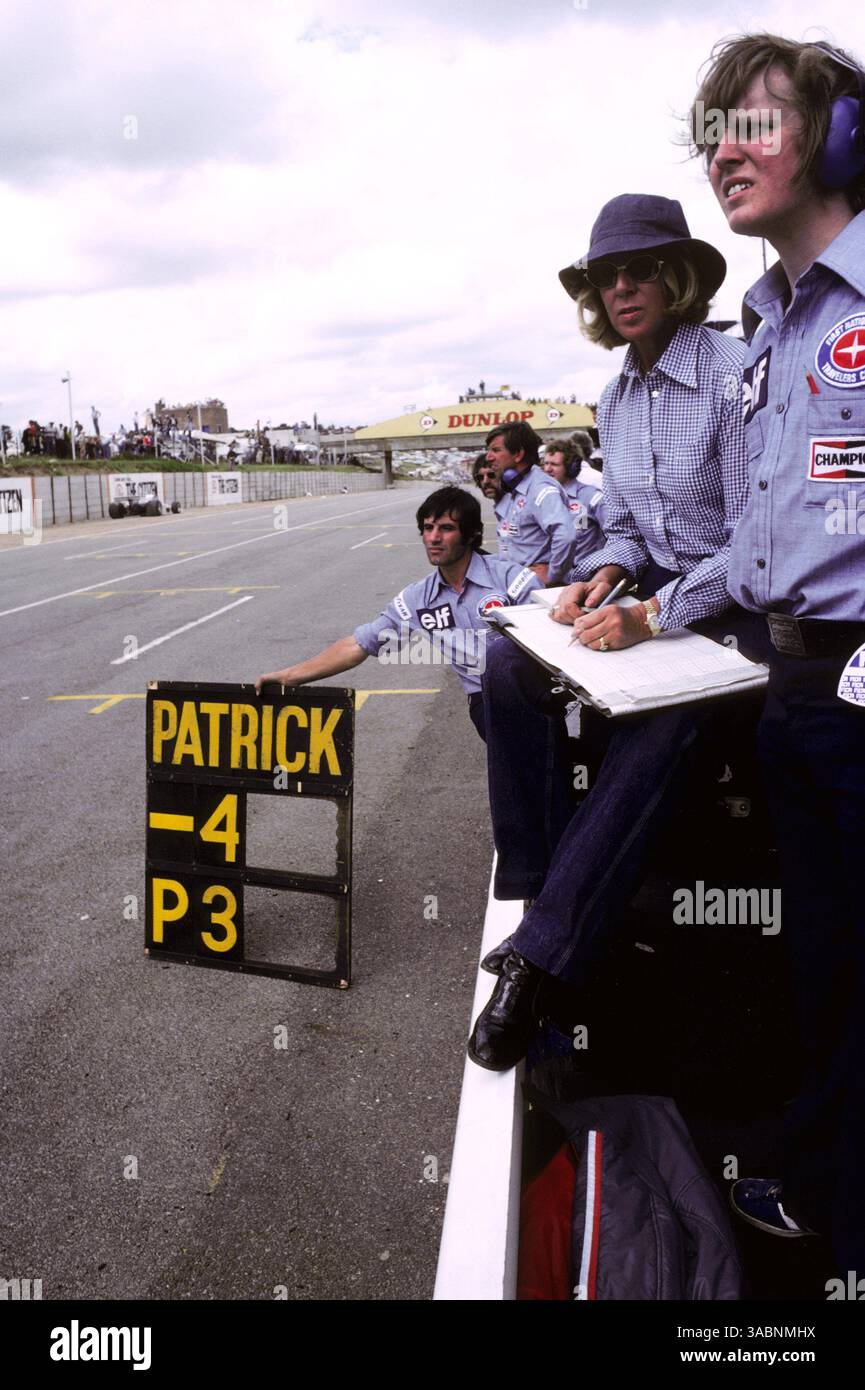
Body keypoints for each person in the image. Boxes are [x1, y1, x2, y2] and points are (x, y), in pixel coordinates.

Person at [469, 193, 771, 1071]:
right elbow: (634, 528)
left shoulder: (732, 371)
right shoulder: (616, 393)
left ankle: (537, 961)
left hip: (740, 613)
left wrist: (649, 614)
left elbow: (758, 541)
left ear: (676, 278)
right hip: (656, 606)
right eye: (607, 277)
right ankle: (531, 885)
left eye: (639, 271)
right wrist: (601, 574)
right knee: (505, 662)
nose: (623, 288)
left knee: (665, 722)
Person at [691, 33, 865, 1270]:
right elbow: (759, 534)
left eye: (749, 123)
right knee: (829, 967)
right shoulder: (770, 326)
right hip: (793, 684)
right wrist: (653, 608)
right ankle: (830, 1194)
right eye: (712, 131)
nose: (722, 150)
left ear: (841, 136)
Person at [255, 486, 542, 740]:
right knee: (526, 780)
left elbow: (550, 631)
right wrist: (291, 676)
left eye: (445, 528)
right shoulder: (417, 599)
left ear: (471, 534)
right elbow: (360, 644)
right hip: (487, 704)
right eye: (428, 528)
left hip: (535, 691)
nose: (433, 537)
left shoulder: (510, 578)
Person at [484, 420, 576, 584]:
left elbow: (566, 536)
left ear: (518, 454)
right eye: (488, 451)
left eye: (496, 450)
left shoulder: (541, 488)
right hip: (517, 583)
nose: (488, 457)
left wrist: (552, 576)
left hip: (537, 590)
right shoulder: (517, 488)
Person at [540, 438, 606, 562]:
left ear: (571, 467)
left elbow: (615, 536)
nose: (548, 469)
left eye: (554, 464)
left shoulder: (591, 497)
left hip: (586, 575)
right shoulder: (542, 498)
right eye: (546, 463)